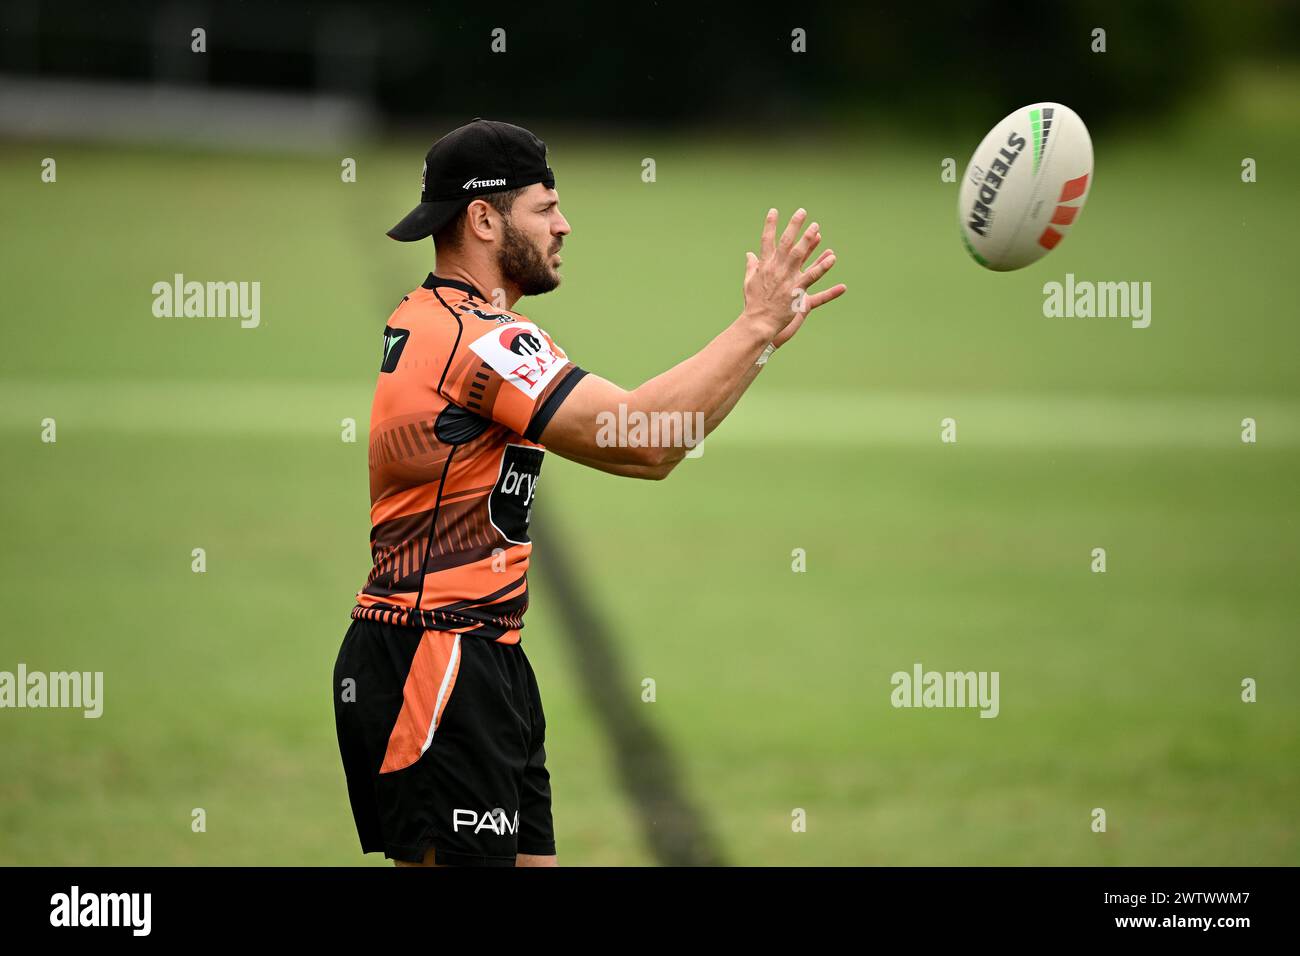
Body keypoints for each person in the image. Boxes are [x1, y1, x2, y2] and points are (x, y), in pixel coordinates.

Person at [333, 118, 846, 866]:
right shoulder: (482, 341)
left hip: (478, 654)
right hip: (436, 662)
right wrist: (755, 324)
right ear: (483, 218)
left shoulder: (446, 320)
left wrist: (757, 338)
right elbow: (643, 439)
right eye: (544, 207)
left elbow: (650, 442)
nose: (564, 225)